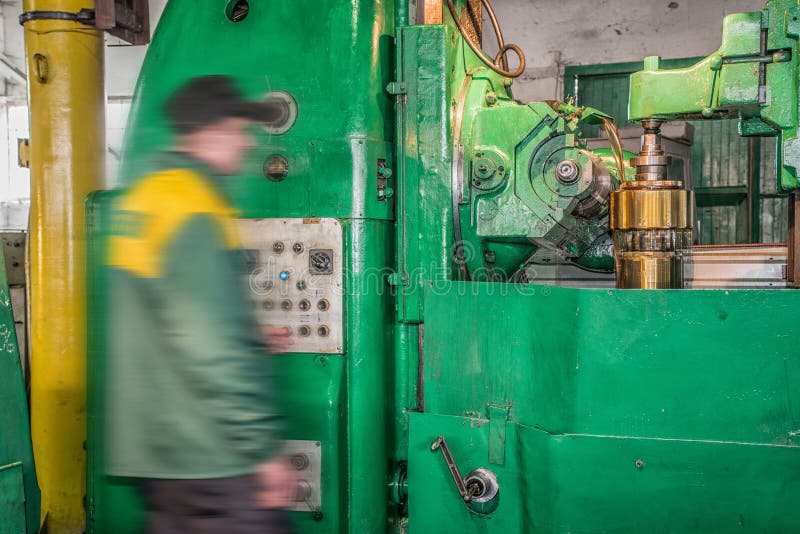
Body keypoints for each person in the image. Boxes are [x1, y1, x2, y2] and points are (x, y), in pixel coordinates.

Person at [104, 75, 295, 534]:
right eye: (241, 130)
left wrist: (248, 337)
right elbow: (209, 345)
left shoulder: (144, 200)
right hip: (211, 454)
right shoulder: (195, 208)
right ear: (216, 131)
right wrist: (262, 449)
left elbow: (163, 320)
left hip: (160, 454)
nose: (248, 143)